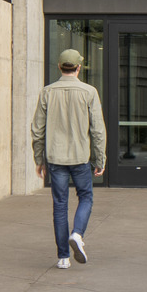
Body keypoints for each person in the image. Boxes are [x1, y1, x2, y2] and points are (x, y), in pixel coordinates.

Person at [32, 47, 107, 269]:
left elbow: (37, 129)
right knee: (86, 197)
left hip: (55, 159)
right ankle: (77, 234)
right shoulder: (89, 91)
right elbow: (98, 130)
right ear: (79, 67)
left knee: (60, 205)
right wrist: (100, 159)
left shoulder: (47, 92)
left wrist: (39, 158)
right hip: (80, 157)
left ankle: (63, 257)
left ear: (59, 67)